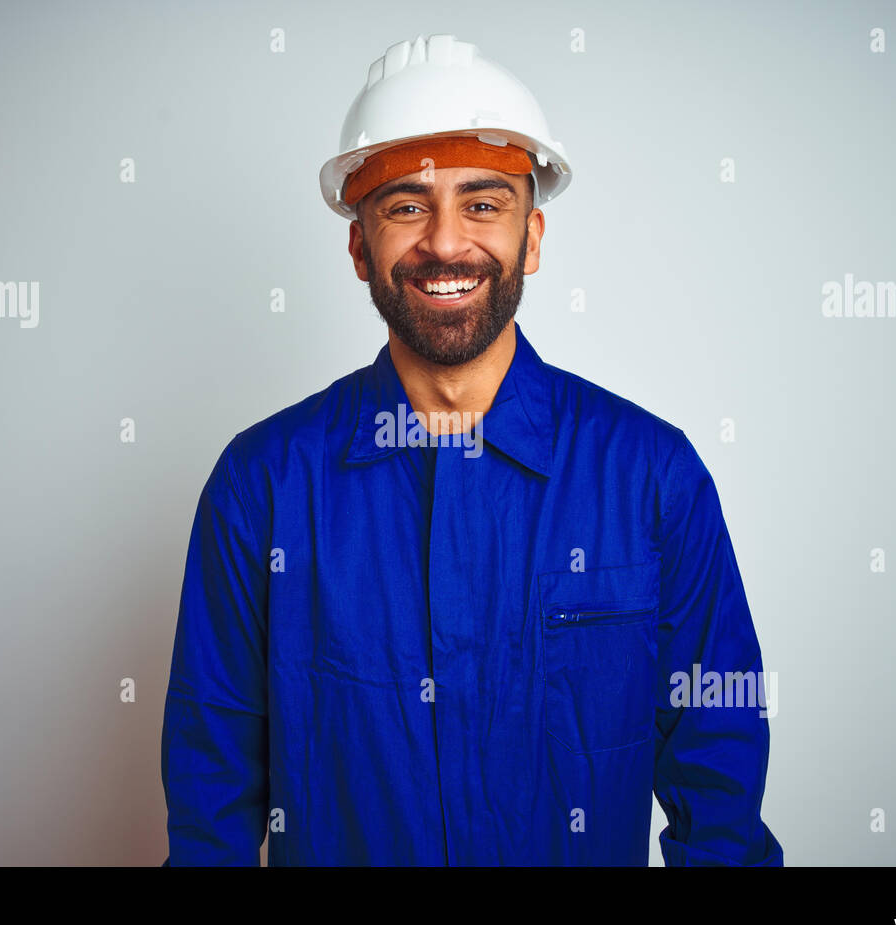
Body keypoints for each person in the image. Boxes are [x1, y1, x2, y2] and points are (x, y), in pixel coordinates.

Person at [160, 33, 783, 866]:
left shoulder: (653, 478)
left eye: (483, 204)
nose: (447, 244)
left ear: (531, 237)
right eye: (406, 206)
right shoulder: (261, 488)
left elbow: (722, 799)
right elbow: (213, 811)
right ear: (359, 248)